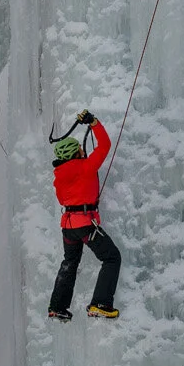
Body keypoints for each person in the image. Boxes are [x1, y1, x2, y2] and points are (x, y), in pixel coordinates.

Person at [46, 110, 120, 321]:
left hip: (68, 227)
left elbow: (63, 199)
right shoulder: (86, 167)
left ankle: (57, 307)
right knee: (112, 257)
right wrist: (94, 123)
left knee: (70, 262)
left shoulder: (59, 175)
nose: (82, 150)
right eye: (79, 148)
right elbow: (104, 146)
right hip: (85, 224)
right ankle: (101, 303)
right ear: (74, 152)